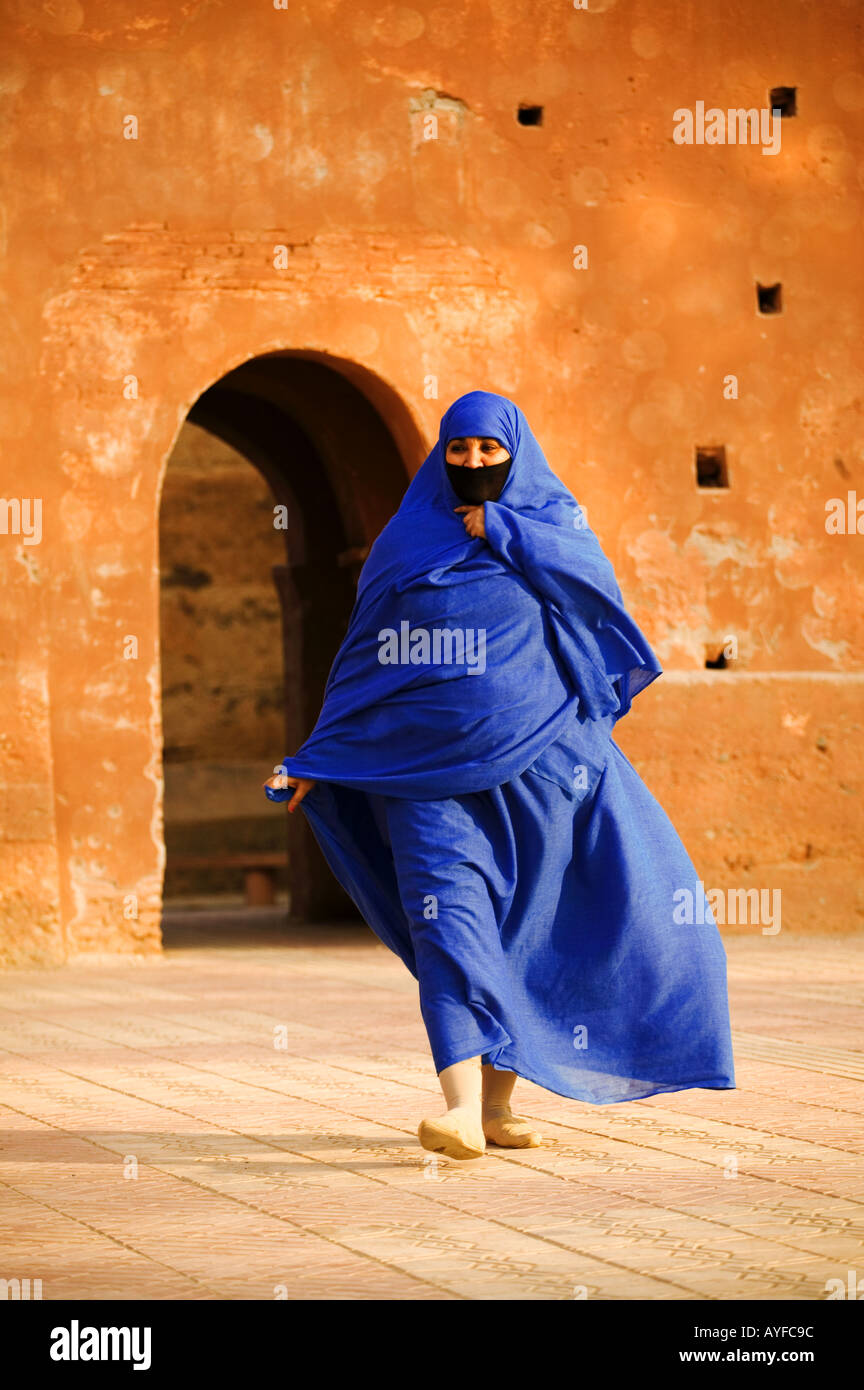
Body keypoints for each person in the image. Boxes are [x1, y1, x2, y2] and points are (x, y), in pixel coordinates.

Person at [263, 390, 735, 1161]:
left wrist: (506, 531)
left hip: (544, 772)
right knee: (449, 924)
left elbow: (597, 597)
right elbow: (361, 658)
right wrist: (318, 754)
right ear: (441, 455)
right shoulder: (403, 543)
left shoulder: (553, 526)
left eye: (490, 450)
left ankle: (494, 1108)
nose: (475, 463)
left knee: (522, 935)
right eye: (460, 450)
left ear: (516, 451)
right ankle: (456, 1107)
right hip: (425, 779)